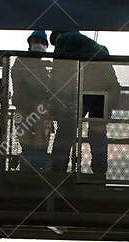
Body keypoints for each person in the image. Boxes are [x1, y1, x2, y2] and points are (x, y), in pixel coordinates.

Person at [47, 31, 120, 176]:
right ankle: (100, 172)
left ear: (56, 38)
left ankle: (57, 170)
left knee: (66, 127)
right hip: (106, 89)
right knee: (97, 130)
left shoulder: (64, 38)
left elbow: (59, 69)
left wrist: (54, 96)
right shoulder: (98, 47)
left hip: (84, 88)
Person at [10, 30, 53, 171]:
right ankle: (29, 174)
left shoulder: (40, 65)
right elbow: (34, 84)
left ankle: (32, 173)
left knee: (37, 144)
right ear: (30, 44)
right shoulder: (23, 61)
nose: (39, 45)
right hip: (27, 109)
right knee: (29, 144)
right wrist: (47, 90)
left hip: (35, 110)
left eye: (41, 43)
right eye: (37, 42)